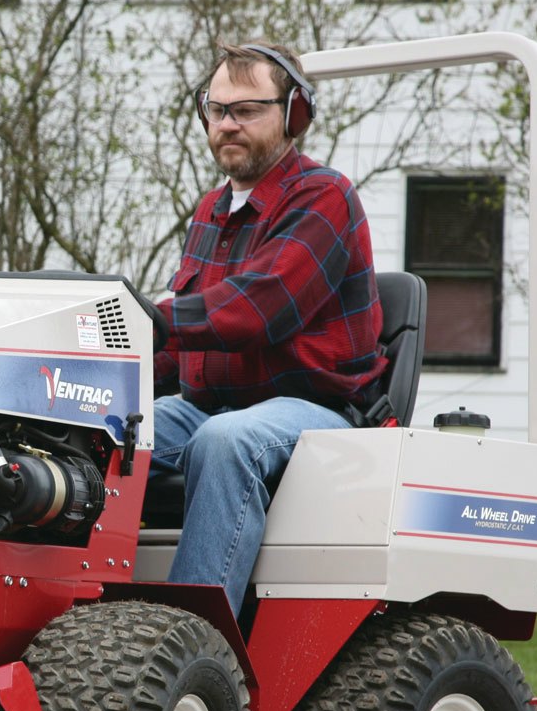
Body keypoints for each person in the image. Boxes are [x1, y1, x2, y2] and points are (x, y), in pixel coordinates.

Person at [152, 42, 386, 615]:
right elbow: (177, 343)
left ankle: (193, 641)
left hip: (314, 412)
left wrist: (148, 321)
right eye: (217, 109)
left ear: (293, 116)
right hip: (209, 406)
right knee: (91, 429)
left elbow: (257, 308)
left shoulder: (324, 197)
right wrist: (99, 363)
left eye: (248, 110)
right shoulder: (211, 210)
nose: (228, 124)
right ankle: (79, 627)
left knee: (227, 441)